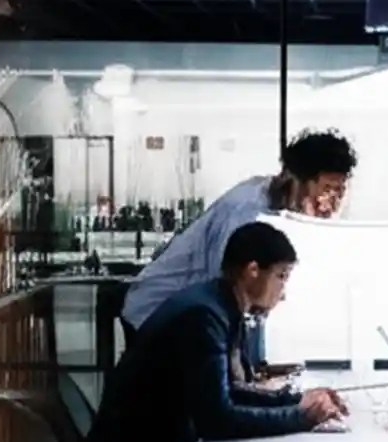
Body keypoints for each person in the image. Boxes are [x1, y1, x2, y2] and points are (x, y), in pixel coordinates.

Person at [84, 222, 348, 442]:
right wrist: (301, 418)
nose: (282, 293)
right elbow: (217, 420)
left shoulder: (215, 303)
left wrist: (294, 400)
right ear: (252, 271)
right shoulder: (204, 316)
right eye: (281, 277)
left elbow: (226, 392)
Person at [119, 129, 358, 367]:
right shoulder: (246, 212)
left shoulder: (278, 209)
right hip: (155, 314)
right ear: (293, 179)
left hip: (192, 318)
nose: (332, 204)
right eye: (327, 189)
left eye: (340, 191)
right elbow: (227, 290)